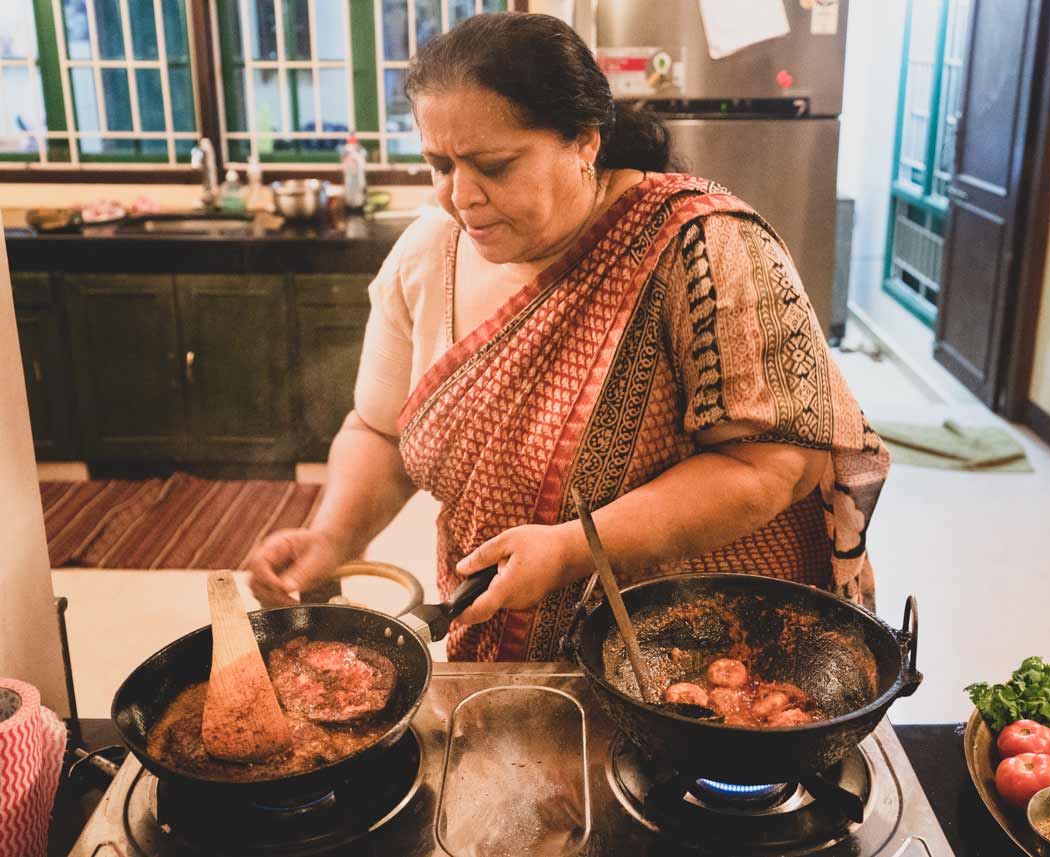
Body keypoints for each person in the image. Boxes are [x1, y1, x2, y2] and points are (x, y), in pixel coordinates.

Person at [248, 12, 888, 662]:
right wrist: (331, 536)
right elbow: (379, 431)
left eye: (493, 165)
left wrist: (573, 548)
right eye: (438, 165)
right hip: (508, 647)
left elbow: (772, 467)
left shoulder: (701, 247)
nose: (459, 196)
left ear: (584, 139)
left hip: (715, 657)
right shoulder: (427, 255)